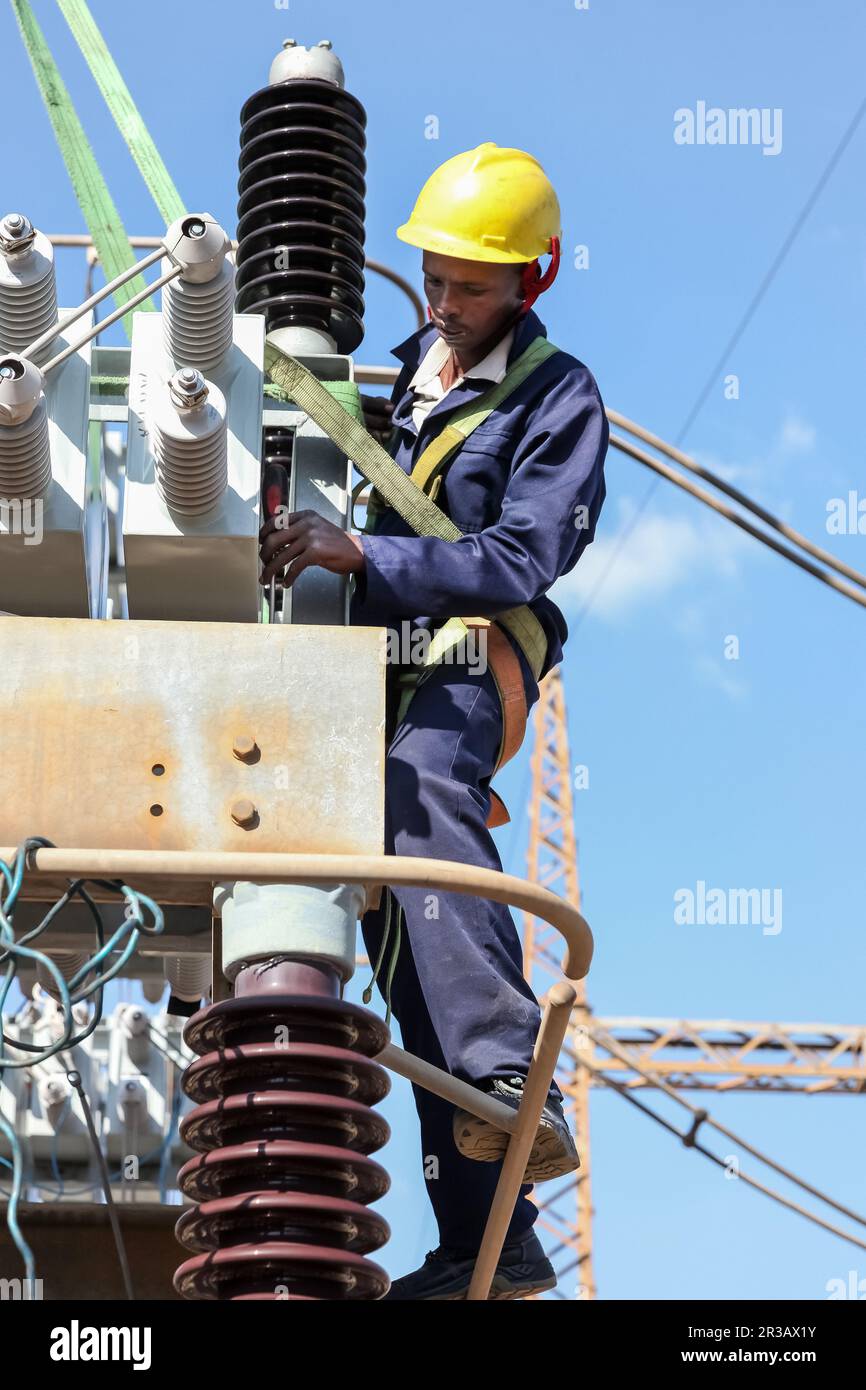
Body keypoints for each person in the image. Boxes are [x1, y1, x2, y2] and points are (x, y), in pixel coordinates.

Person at [259, 143, 608, 1299]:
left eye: (471, 287)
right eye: (435, 277)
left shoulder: (555, 397)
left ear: (529, 282)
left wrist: (365, 550)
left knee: (421, 799)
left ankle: (515, 1077)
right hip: (364, 667)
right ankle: (489, 1243)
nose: (446, 304)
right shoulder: (405, 371)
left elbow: (521, 553)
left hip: (465, 655)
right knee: (403, 937)